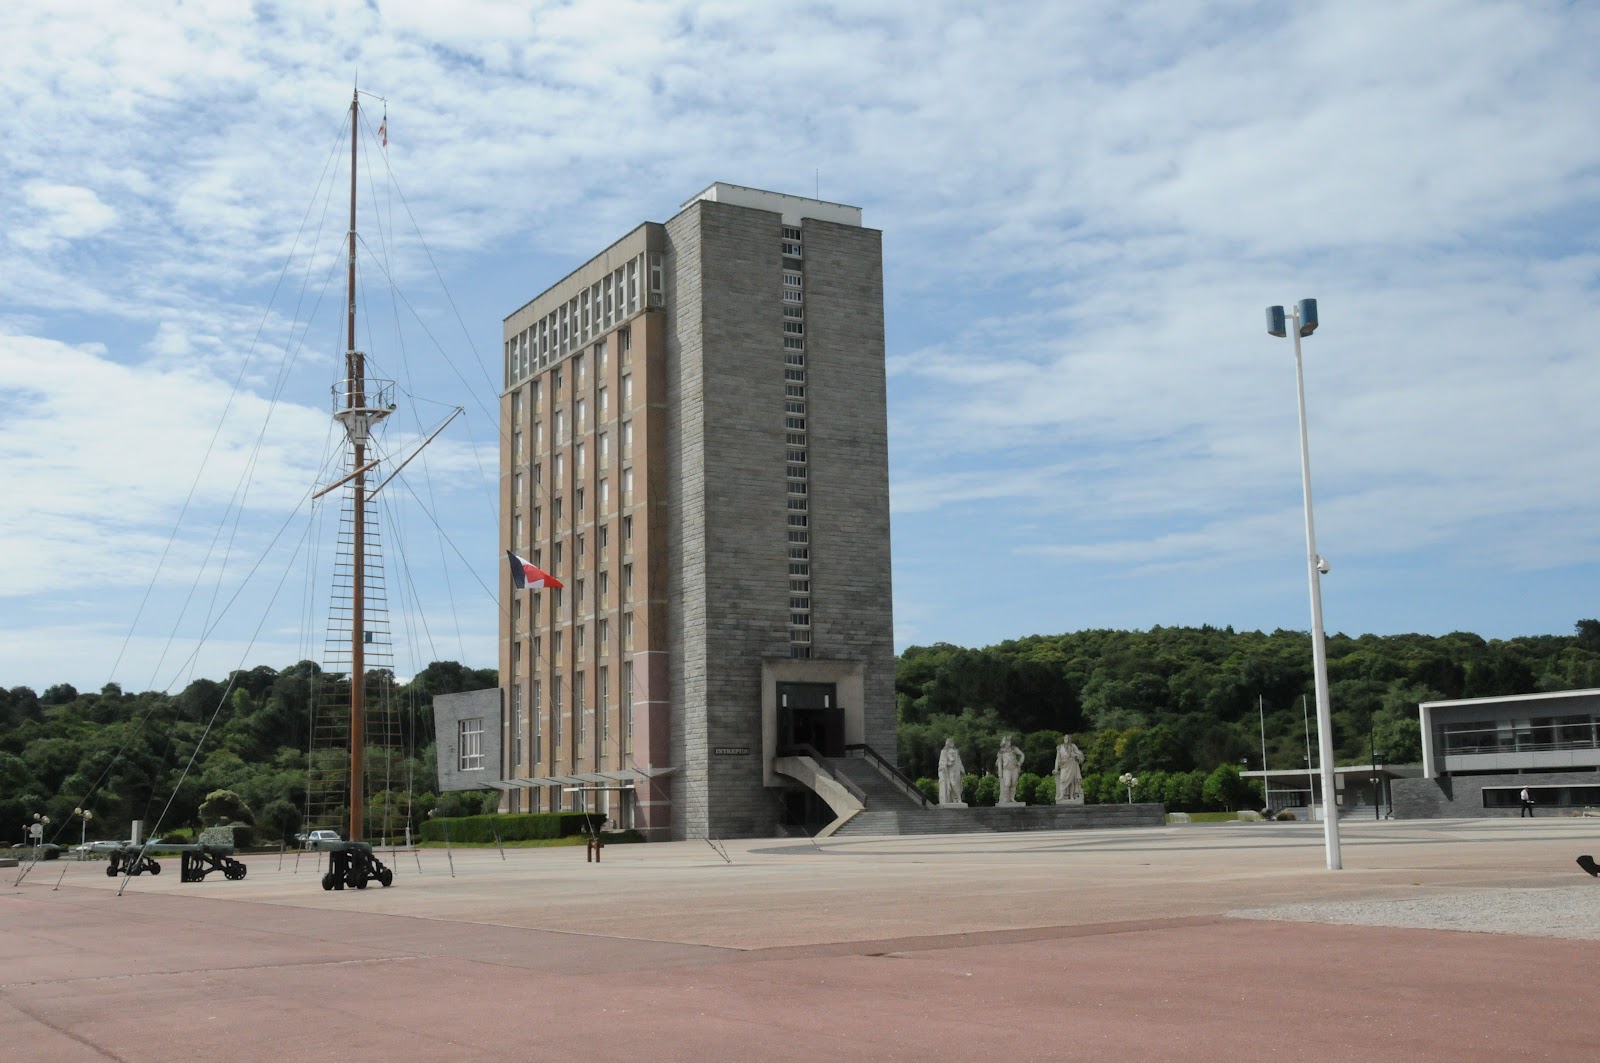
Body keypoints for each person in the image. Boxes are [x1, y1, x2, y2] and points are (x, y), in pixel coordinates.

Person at [995, 735, 1026, 804]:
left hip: (1014, 768)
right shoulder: (1001, 752)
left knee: (1013, 784)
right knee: (1007, 783)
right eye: (1007, 741)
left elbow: (1022, 755)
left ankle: (1012, 798)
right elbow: (999, 762)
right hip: (1006, 769)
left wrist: (1020, 762)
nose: (1009, 743)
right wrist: (1000, 772)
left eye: (1009, 741)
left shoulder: (1014, 749)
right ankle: (1006, 798)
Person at [1054, 737, 1085, 804]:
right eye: (1065, 739)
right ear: (1063, 739)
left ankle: (1071, 796)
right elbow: (1057, 758)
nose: (1067, 740)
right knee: (1063, 780)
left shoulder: (1073, 746)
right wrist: (1056, 768)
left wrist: (1075, 755)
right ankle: (1062, 795)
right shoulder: (1060, 747)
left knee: (1072, 781)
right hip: (1064, 765)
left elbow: (1080, 754)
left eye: (1068, 739)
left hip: (1072, 764)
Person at [936, 738, 966, 806]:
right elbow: (942, 762)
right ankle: (958, 798)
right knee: (952, 783)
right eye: (950, 742)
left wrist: (962, 768)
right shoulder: (944, 751)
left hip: (956, 769)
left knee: (957, 783)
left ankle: (956, 799)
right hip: (949, 771)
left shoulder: (956, 751)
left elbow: (959, 760)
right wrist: (947, 764)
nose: (952, 743)